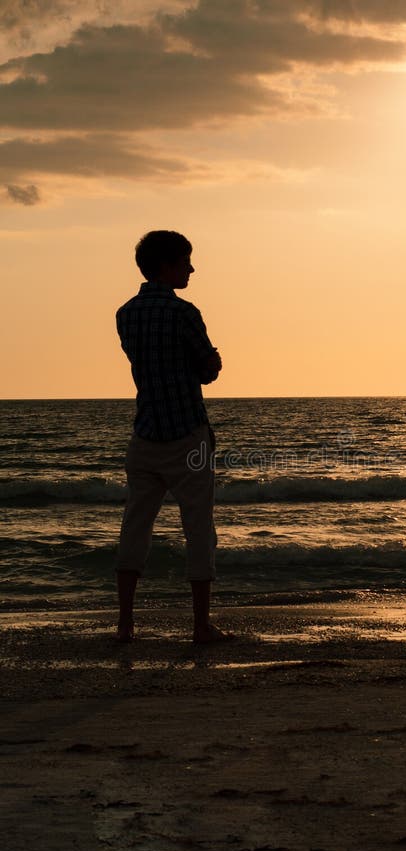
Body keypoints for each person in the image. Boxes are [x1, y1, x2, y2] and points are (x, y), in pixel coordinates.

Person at [114, 229, 229, 644]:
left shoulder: (125, 314)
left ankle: (126, 622)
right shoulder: (185, 313)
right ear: (167, 265)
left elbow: (142, 366)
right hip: (186, 434)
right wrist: (213, 360)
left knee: (135, 527)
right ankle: (200, 625)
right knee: (198, 527)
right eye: (185, 262)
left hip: (145, 434)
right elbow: (206, 371)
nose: (191, 269)